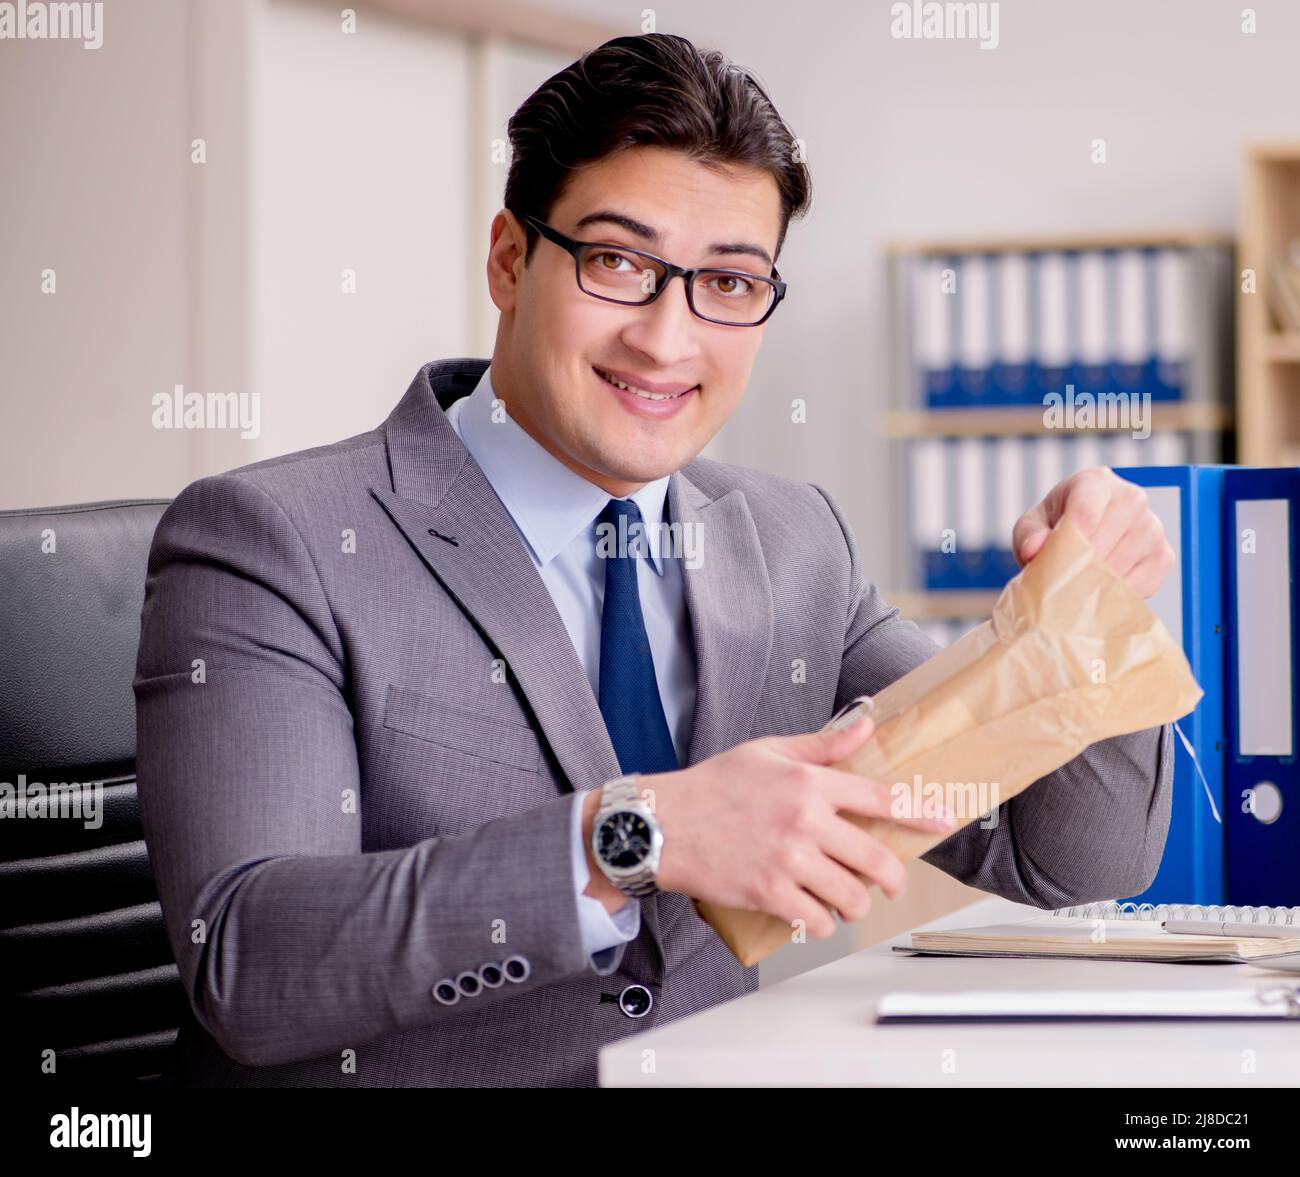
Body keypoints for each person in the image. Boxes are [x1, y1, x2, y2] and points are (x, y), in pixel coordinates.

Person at [133, 32, 1176, 1088]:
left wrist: (1085, 605)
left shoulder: (789, 541)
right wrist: (629, 834)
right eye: (619, 263)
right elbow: (250, 963)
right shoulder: (276, 537)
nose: (667, 340)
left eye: (728, 282)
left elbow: (1064, 861)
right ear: (509, 258)